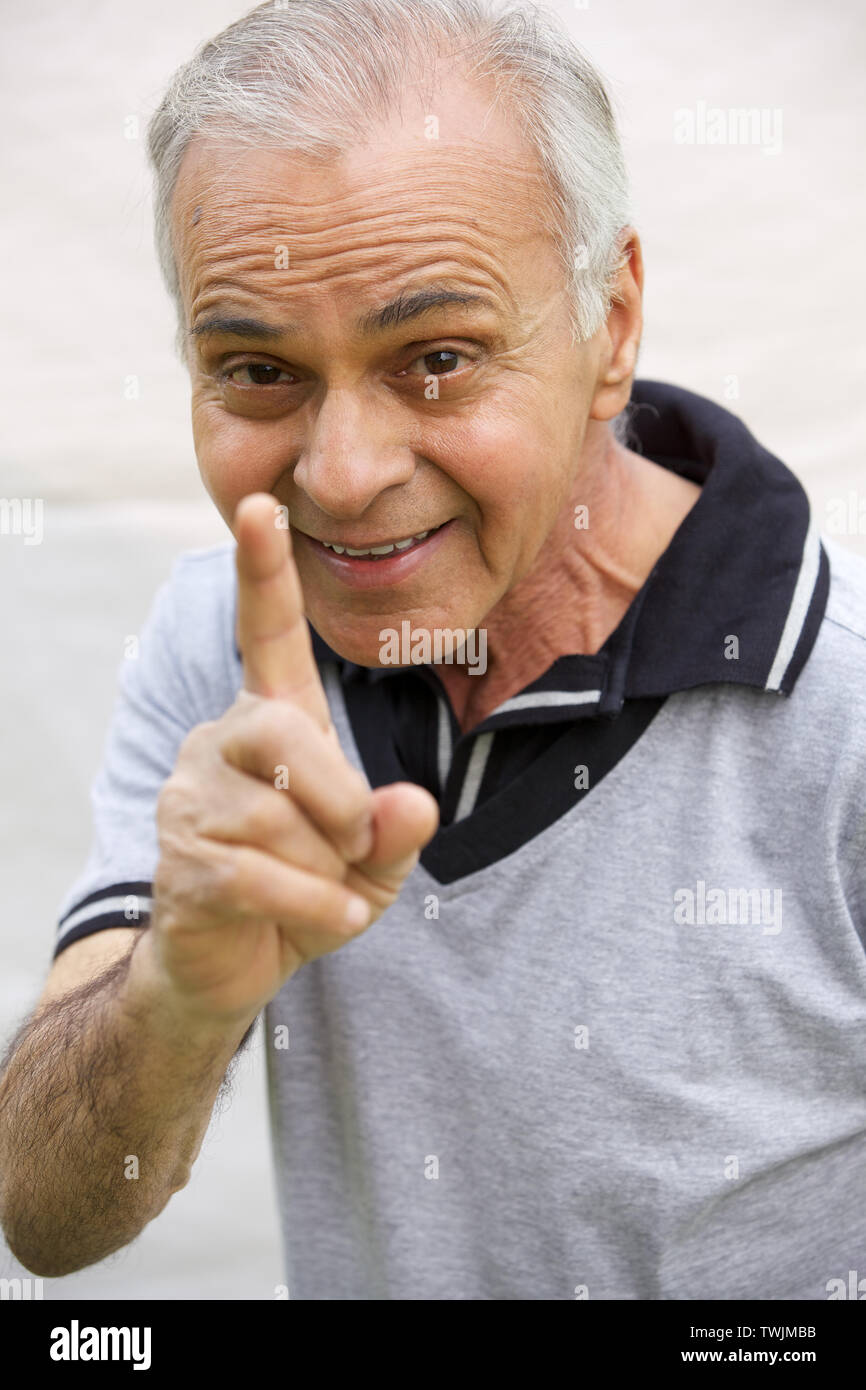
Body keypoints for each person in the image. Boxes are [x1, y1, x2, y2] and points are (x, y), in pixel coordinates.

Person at [1, 0, 864, 1300]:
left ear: (610, 322)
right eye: (255, 369)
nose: (340, 480)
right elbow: (44, 1220)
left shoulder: (841, 703)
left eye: (438, 358)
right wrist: (175, 994)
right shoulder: (222, 635)